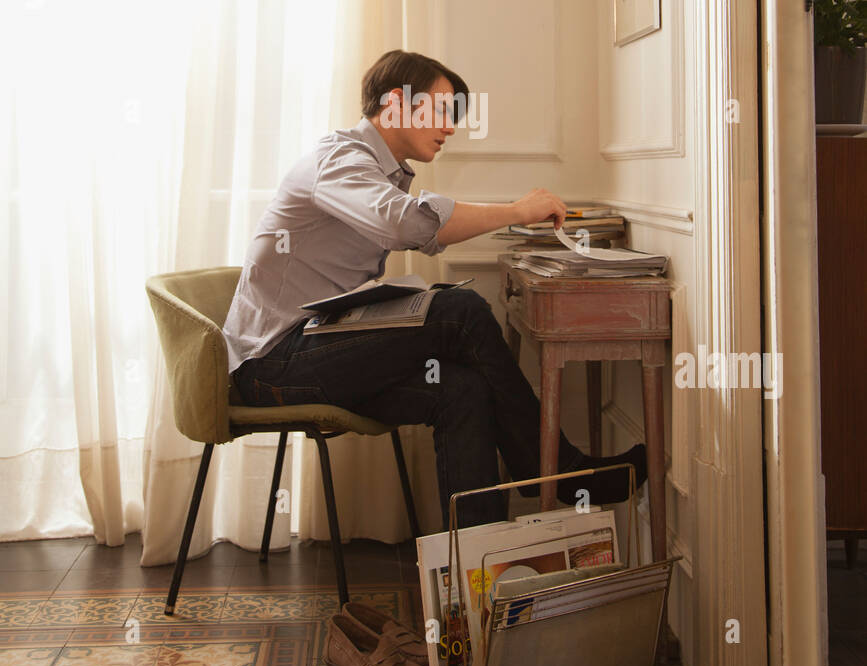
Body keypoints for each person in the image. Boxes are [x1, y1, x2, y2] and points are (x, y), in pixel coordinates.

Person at [223, 48, 647, 529]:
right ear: (397, 104)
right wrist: (515, 210)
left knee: (461, 390)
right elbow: (404, 225)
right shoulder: (339, 159)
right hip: (272, 364)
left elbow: (409, 226)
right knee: (459, 310)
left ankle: (476, 574)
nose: (451, 126)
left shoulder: (377, 168)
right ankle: (555, 471)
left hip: (313, 346)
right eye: (442, 111)